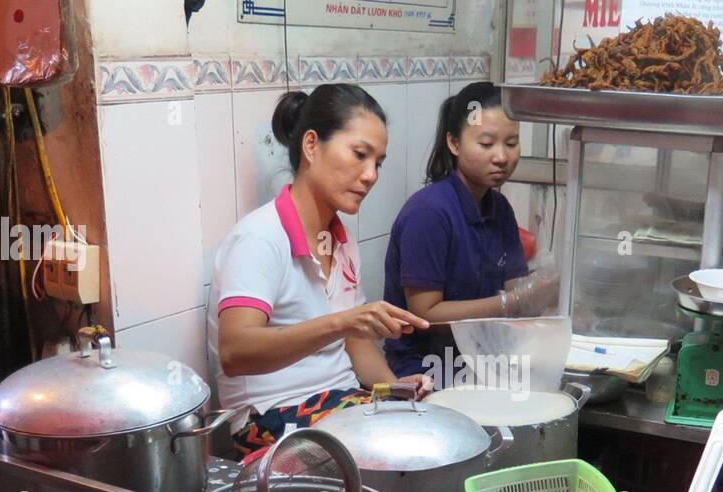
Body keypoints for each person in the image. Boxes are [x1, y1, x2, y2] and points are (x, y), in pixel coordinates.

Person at [208, 83, 431, 459]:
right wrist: (343, 322)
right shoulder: (259, 238)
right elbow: (235, 352)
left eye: (378, 162)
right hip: (268, 418)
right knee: (396, 448)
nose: (371, 175)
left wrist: (395, 390)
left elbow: (356, 343)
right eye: (360, 155)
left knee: (424, 422)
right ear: (311, 145)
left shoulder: (341, 243)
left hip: (340, 403)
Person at [382, 81, 558, 381]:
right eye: (487, 144)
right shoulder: (429, 213)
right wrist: (509, 305)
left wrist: (546, 290)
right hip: (428, 370)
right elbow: (425, 314)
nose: (501, 157)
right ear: (454, 143)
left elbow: (515, 285)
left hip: (482, 359)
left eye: (512, 143)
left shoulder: (498, 207)